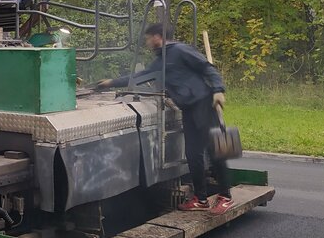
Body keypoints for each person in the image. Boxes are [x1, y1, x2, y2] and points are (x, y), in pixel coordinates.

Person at [96, 23, 234, 215]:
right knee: (193, 154)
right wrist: (111, 83)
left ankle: (225, 197)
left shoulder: (181, 50)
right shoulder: (160, 61)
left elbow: (207, 68)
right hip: (188, 108)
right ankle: (201, 199)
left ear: (158, 37)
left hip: (203, 104)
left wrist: (218, 90)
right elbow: (142, 76)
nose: (146, 42)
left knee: (214, 150)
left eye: (148, 38)